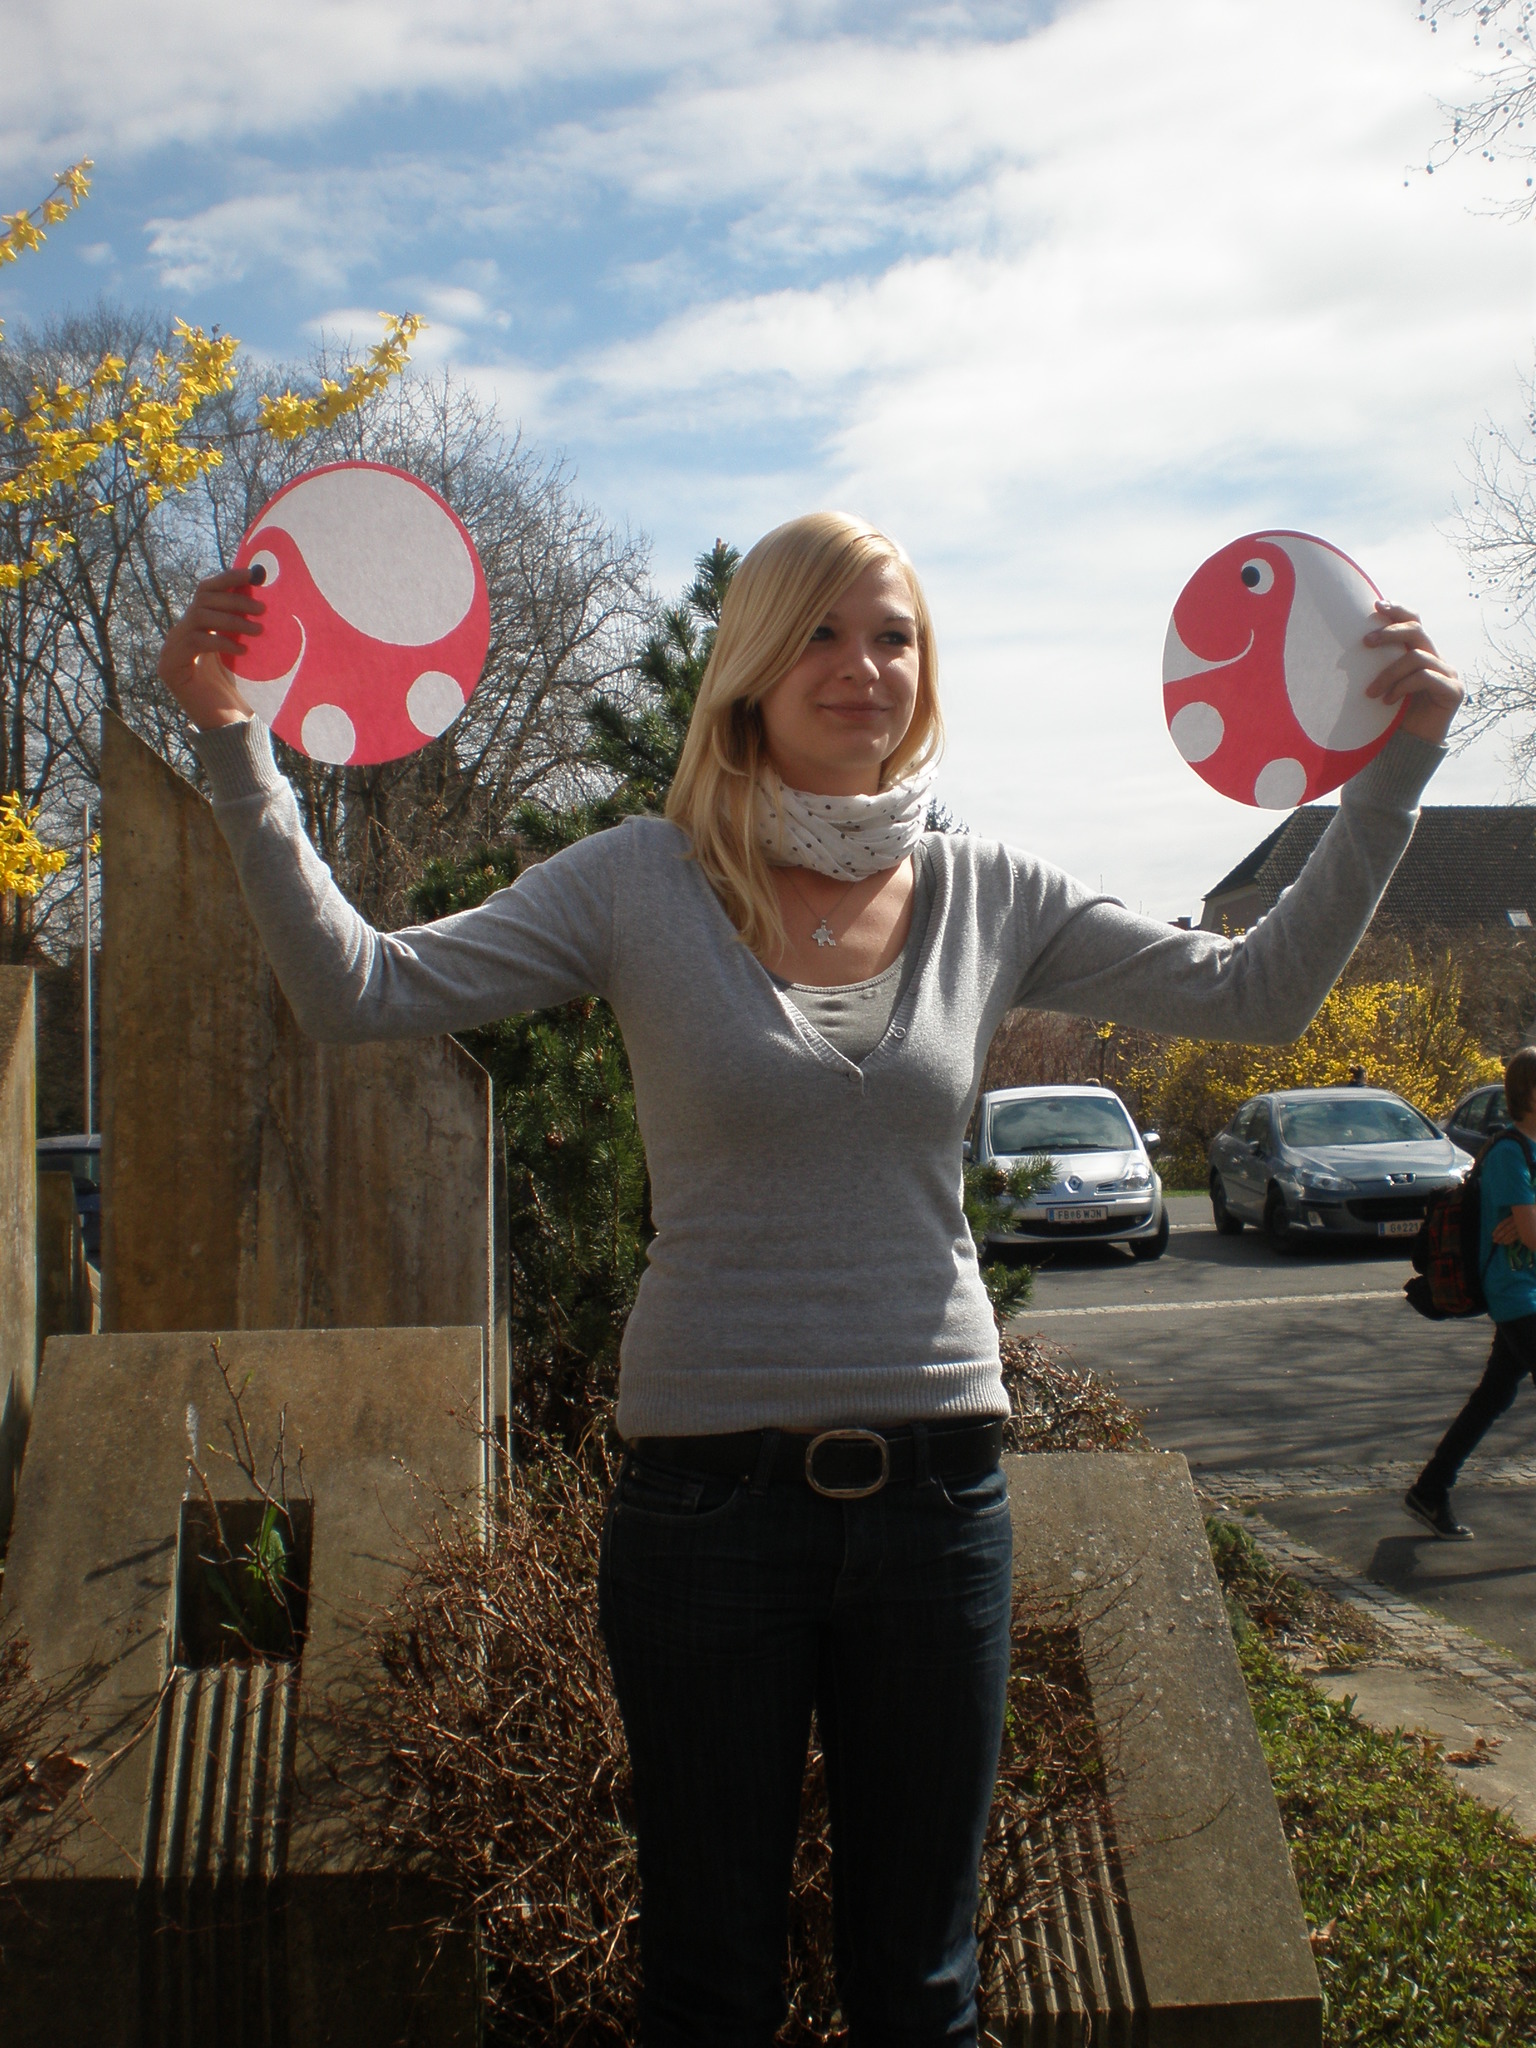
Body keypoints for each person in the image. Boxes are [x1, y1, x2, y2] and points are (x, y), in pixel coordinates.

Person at [157, 511, 1461, 2046]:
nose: (864, 667)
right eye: (824, 634)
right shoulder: (635, 884)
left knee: (924, 1991)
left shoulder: (991, 891)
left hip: (938, 1508)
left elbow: (1259, 993)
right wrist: (235, 745)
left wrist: (1397, 767)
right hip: (705, 1512)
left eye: (893, 635)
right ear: (753, 668)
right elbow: (356, 989)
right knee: (708, 1988)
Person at [1405, 1045, 1536, 1543]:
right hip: (1517, 1295)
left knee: (1493, 1395)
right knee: (1493, 1396)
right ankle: (1430, 1490)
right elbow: (1531, 1236)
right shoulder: (1509, 1153)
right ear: (1530, 1093)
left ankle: (1429, 1490)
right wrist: (1527, 1223)